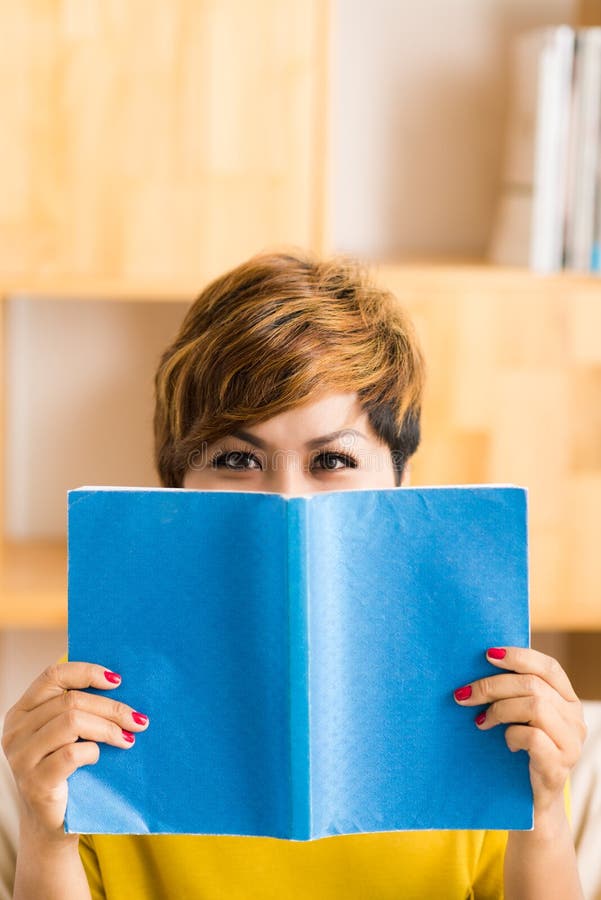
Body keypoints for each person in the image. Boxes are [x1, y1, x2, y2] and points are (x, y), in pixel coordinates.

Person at [2, 251, 586, 899]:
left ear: (401, 482)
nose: (287, 499)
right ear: (175, 485)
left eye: (331, 460)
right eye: (236, 459)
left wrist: (542, 817)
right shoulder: (96, 701)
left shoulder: (483, 687)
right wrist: (45, 831)